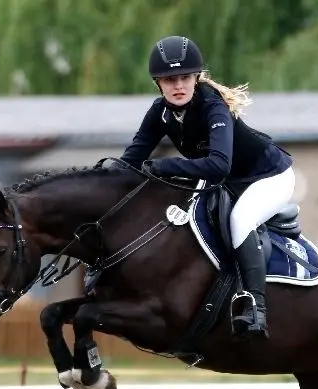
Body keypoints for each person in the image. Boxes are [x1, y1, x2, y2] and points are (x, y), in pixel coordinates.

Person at [119, 35, 296, 339]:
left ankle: (256, 308)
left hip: (268, 177)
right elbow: (132, 159)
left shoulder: (213, 106)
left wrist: (163, 166)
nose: (178, 85)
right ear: (157, 83)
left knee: (240, 220)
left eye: (185, 77)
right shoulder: (160, 112)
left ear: (196, 77)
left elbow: (218, 166)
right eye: (169, 79)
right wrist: (98, 178)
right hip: (230, 183)